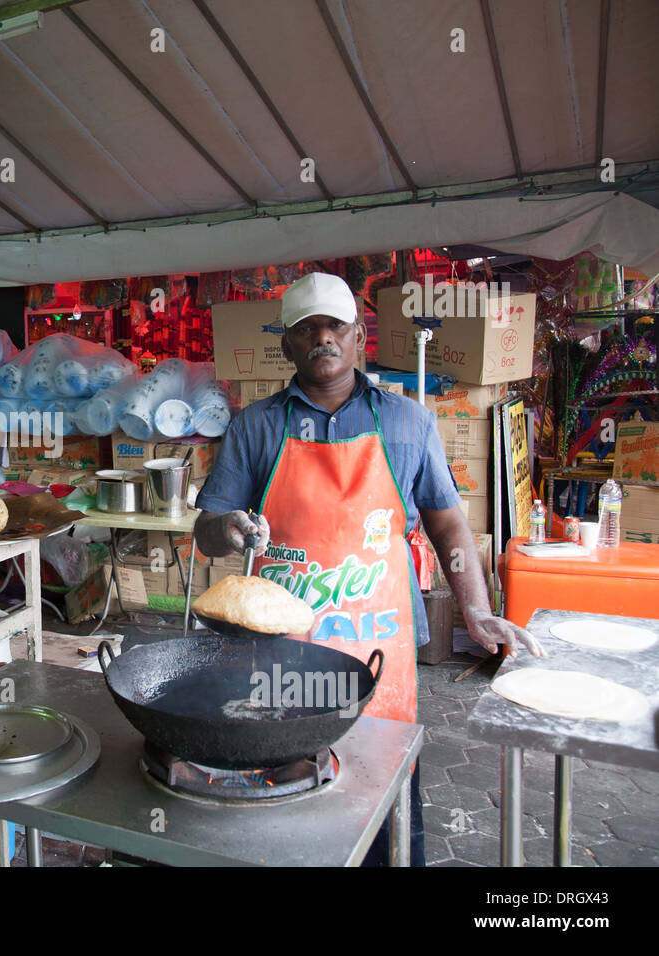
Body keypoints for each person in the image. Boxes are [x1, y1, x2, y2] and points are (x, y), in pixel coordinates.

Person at [193, 272, 545, 867]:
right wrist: (224, 529)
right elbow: (205, 531)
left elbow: (450, 526)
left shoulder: (409, 422)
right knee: (286, 786)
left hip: (379, 645)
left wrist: (478, 610)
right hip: (284, 652)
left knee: (385, 792)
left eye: (335, 326)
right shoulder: (256, 426)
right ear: (289, 346)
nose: (322, 338)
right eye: (307, 329)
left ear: (359, 337)